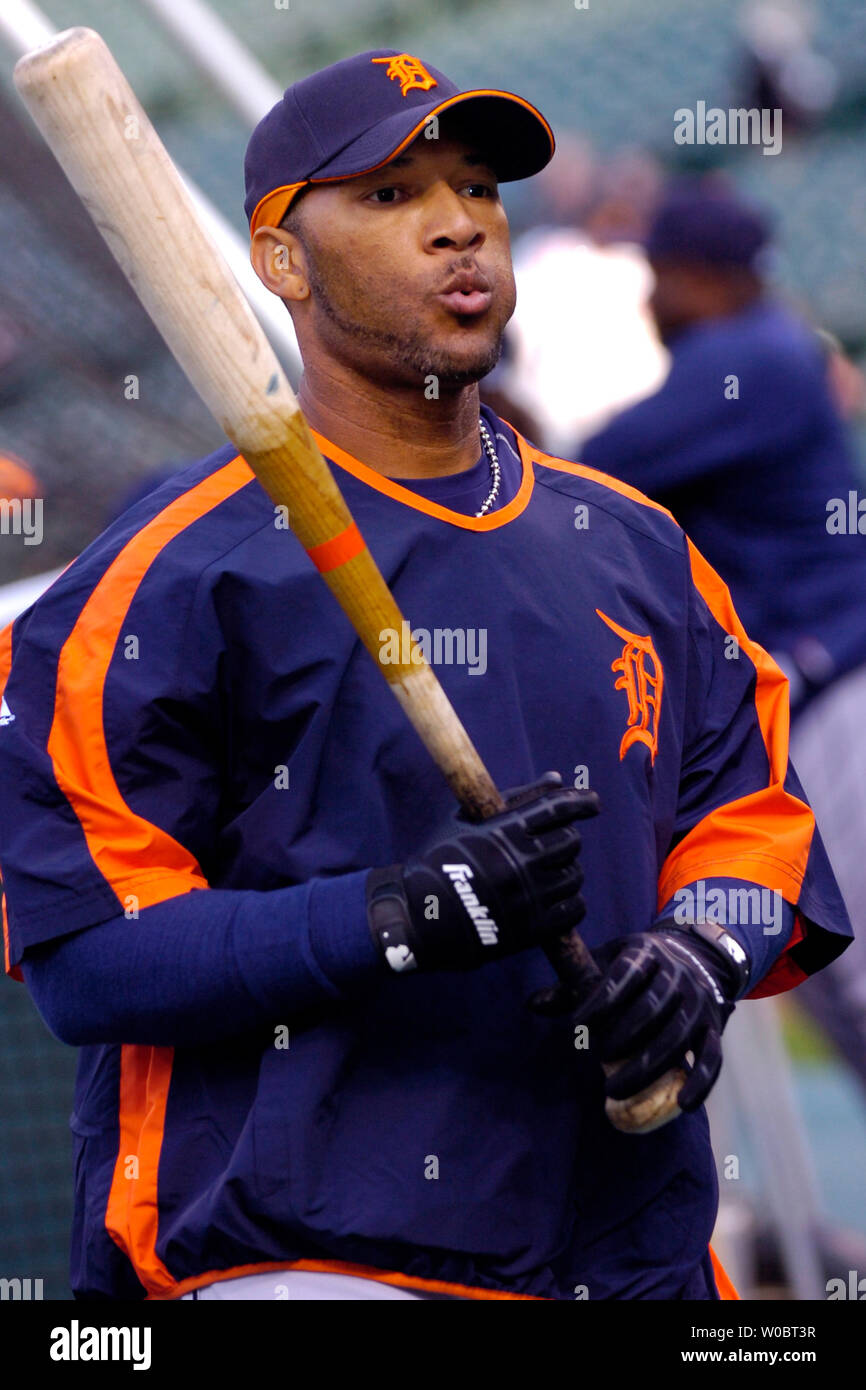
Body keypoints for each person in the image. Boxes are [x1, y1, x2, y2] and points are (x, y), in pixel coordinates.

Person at [0, 51, 851, 1303]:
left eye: (477, 188)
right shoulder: (166, 576)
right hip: (310, 1257)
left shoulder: (633, 544)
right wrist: (399, 914)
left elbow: (748, 817)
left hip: (632, 1258)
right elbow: (91, 958)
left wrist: (694, 955)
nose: (458, 221)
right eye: (391, 196)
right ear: (281, 262)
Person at [579, 183, 866, 1090]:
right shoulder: (767, 348)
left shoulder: (752, 357)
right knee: (833, 978)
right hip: (820, 690)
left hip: (840, 691)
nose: (651, 298)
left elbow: (592, 472)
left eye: (659, 275)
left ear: (695, 276)